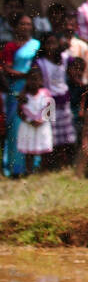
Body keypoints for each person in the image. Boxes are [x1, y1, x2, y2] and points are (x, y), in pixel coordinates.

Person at [3, 13, 40, 176]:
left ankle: (35, 166)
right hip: (17, 89)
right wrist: (24, 75)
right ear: (15, 27)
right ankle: (16, 168)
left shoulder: (37, 45)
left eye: (28, 24)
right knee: (16, 127)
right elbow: (6, 68)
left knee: (36, 124)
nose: (25, 27)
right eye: (22, 24)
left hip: (36, 90)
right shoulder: (10, 47)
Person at [33, 35, 76, 167]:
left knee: (65, 135)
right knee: (50, 134)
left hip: (64, 100)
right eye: (48, 43)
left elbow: (76, 62)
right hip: (48, 102)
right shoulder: (40, 62)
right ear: (43, 46)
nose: (51, 46)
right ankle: (50, 164)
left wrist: (65, 48)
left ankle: (63, 163)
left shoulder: (64, 59)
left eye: (54, 43)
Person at [15, 66, 53, 176]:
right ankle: (29, 172)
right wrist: (29, 121)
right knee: (29, 151)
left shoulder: (45, 93)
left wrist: (42, 120)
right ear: (27, 80)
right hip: (28, 126)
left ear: (41, 80)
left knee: (44, 149)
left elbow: (50, 109)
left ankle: (43, 171)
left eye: (36, 79)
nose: (33, 82)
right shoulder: (23, 96)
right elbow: (19, 112)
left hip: (43, 125)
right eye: (31, 79)